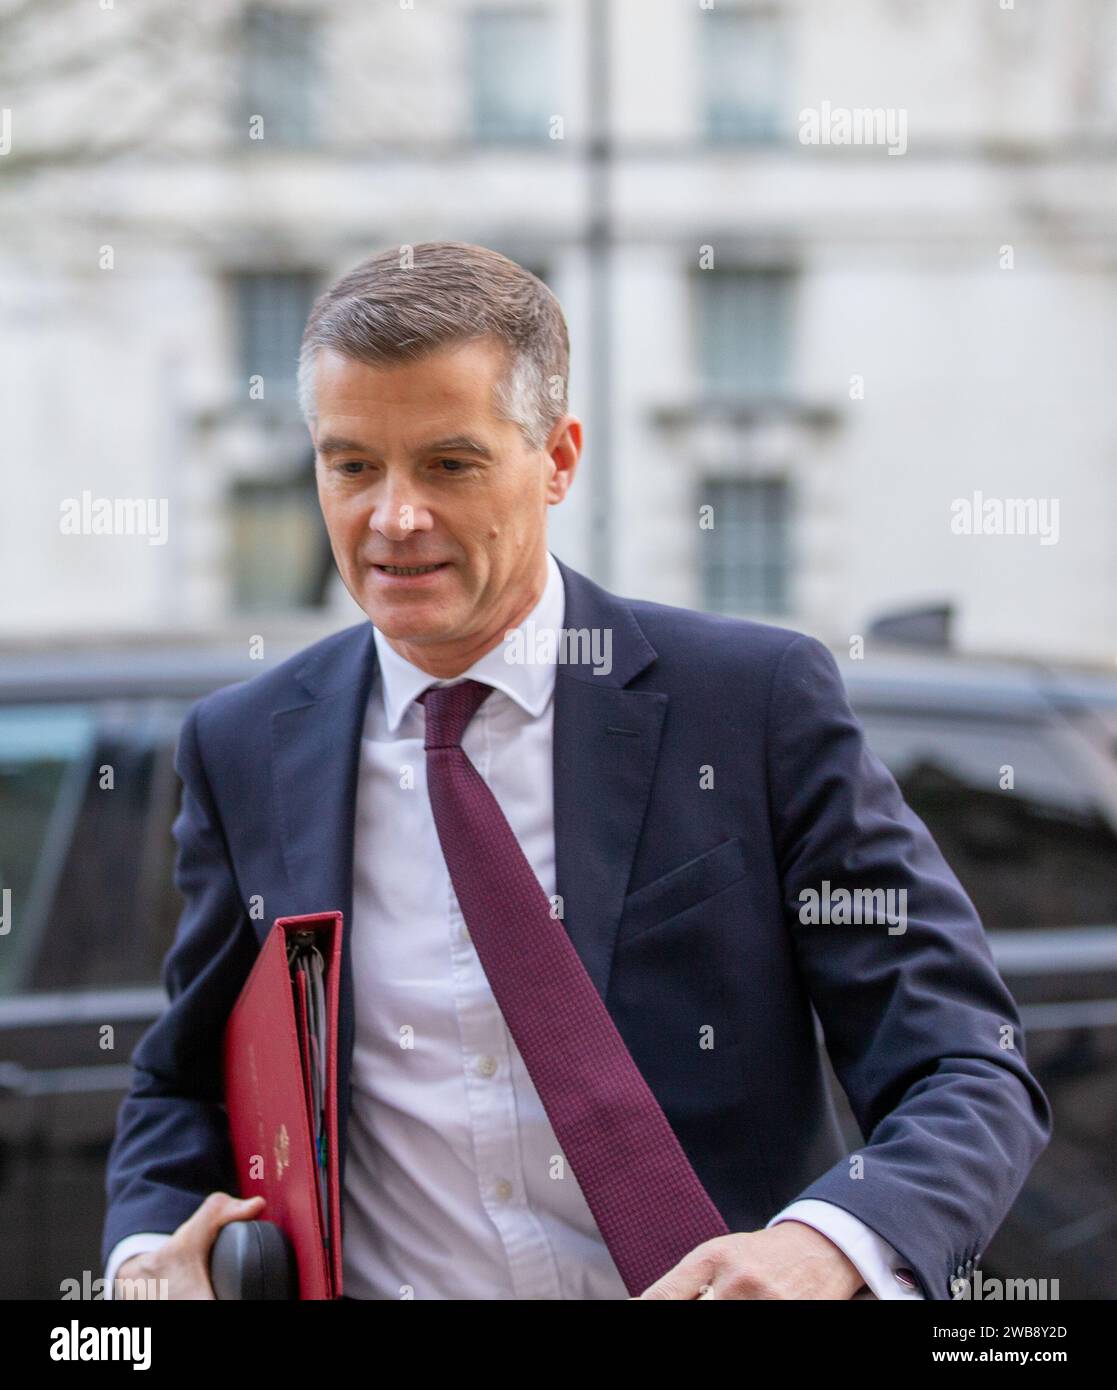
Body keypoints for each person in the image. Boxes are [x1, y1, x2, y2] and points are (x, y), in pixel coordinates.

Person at [103, 242, 1050, 1301]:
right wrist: (148, 1262)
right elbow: (179, 1084)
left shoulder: (749, 703)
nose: (393, 517)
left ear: (556, 458)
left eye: (449, 464)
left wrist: (824, 1246)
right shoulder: (242, 747)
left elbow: (966, 1067)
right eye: (352, 463)